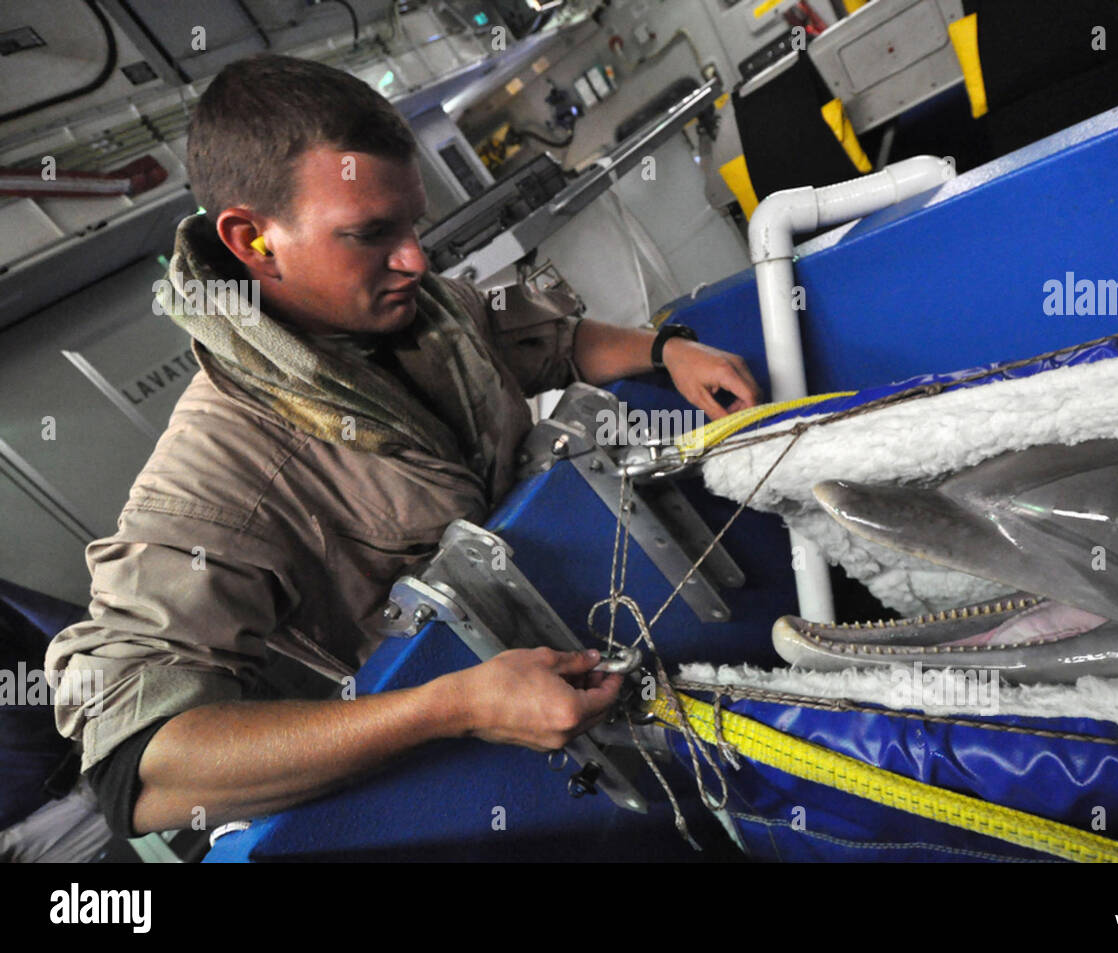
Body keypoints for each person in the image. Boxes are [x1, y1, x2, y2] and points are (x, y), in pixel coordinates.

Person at [45, 54, 761, 840]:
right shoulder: (222, 468)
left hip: (608, 655)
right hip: (488, 775)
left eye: (412, 223)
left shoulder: (423, 311)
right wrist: (454, 705)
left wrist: (663, 350)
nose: (416, 258)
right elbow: (135, 765)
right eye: (370, 234)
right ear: (254, 240)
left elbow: (534, 338)